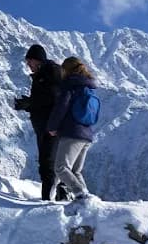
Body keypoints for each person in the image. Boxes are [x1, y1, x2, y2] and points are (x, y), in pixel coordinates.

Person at [14, 44, 69, 201]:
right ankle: (50, 196)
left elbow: (53, 98)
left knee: (49, 162)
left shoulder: (51, 72)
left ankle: (51, 197)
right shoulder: (41, 75)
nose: (28, 65)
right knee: (47, 162)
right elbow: (43, 101)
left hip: (51, 127)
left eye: (29, 61)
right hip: (44, 126)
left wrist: (30, 103)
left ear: (37, 60)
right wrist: (27, 105)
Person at [47, 57, 98, 200]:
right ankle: (87, 200)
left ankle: (81, 195)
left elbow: (60, 108)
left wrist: (52, 126)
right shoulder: (88, 87)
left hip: (72, 133)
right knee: (76, 171)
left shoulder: (69, 86)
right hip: (87, 135)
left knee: (61, 168)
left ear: (66, 69)